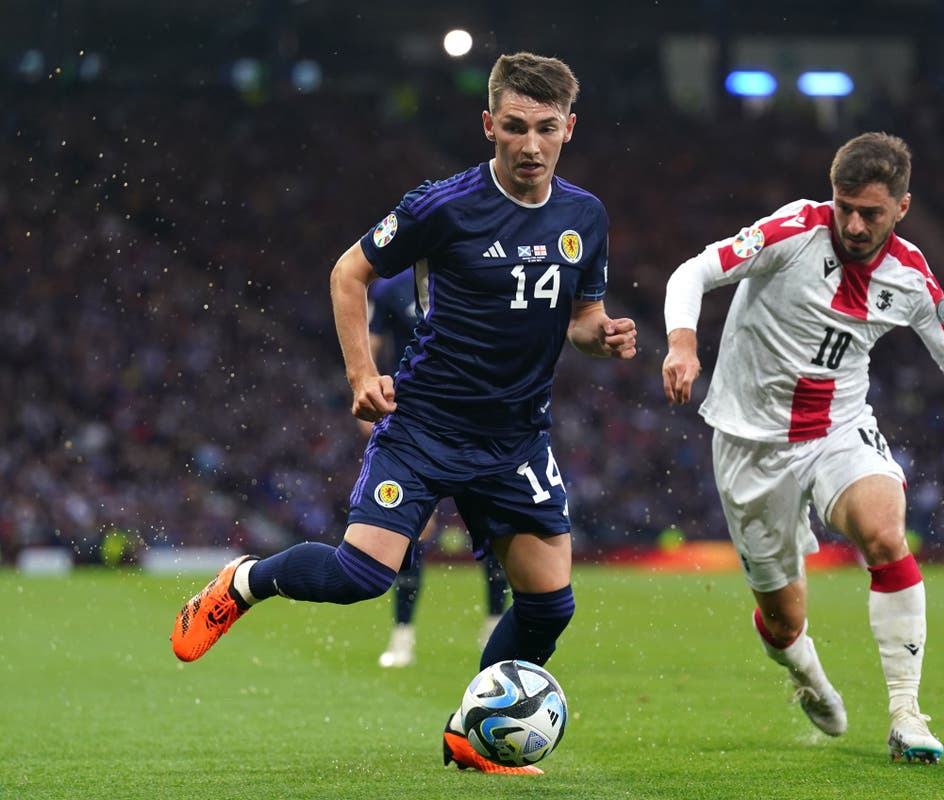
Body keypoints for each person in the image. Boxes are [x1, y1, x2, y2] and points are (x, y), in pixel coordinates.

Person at [171, 52, 638, 775]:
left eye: (546, 128)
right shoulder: (441, 206)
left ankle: (469, 734)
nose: (530, 145)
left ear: (569, 128)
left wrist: (602, 336)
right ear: (489, 125)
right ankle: (242, 582)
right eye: (514, 127)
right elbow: (348, 271)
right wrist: (362, 372)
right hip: (424, 427)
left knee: (550, 608)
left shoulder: (586, 216)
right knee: (362, 577)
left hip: (515, 439)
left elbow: (583, 317)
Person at [660, 132, 944, 764]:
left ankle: (907, 714)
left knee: (883, 532)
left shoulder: (910, 276)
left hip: (837, 431)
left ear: (902, 207)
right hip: (749, 444)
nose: (853, 223)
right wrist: (683, 342)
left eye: (870, 212)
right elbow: (694, 271)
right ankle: (807, 674)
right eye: (844, 205)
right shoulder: (793, 229)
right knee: (783, 623)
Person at [365, 270, 510, 668]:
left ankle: (496, 625)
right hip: (415, 422)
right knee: (408, 533)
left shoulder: (473, 272)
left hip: (477, 421)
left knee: (496, 527)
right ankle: (402, 636)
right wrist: (367, 388)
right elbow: (374, 345)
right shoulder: (391, 288)